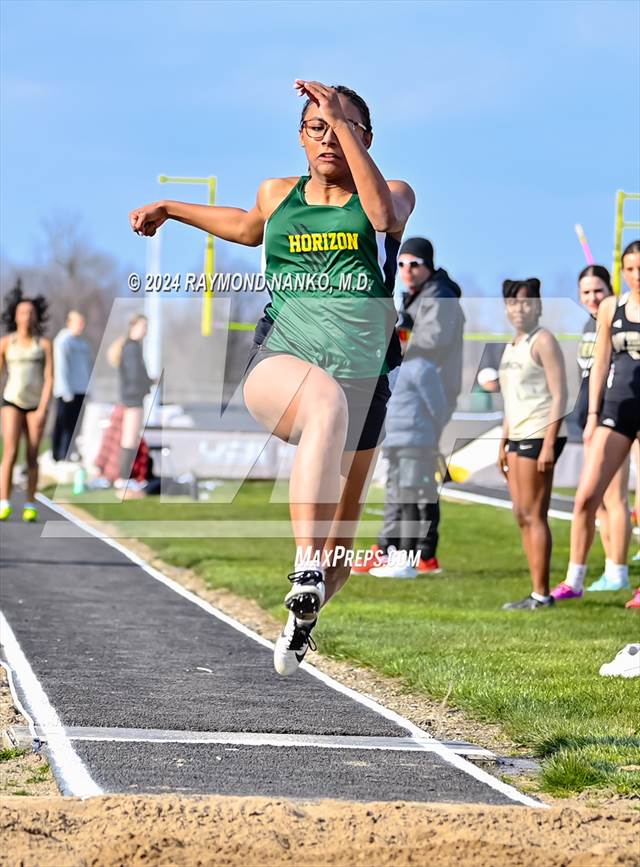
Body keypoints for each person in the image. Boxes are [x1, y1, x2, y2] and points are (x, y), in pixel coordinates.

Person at [129, 81, 415, 675]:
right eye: (317, 127)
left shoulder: (390, 193)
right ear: (300, 137)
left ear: (366, 138)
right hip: (281, 363)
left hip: (367, 377)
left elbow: (384, 218)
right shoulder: (278, 192)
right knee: (323, 402)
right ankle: (304, 562)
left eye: (342, 127)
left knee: (342, 536)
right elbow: (246, 226)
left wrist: (340, 118)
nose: (329, 137)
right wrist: (172, 208)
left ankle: (302, 615)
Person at [355, 238, 465, 575]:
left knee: (415, 484)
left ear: (429, 265)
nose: (406, 271)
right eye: (401, 264)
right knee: (403, 481)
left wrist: (395, 334)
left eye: (414, 263)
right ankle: (397, 548)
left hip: (427, 401)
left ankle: (418, 552)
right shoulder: (420, 297)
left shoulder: (440, 296)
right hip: (412, 401)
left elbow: (430, 345)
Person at [556, 240, 640, 609]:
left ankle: (627, 576)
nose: (637, 276)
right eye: (631, 269)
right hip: (616, 410)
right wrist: (592, 417)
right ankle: (575, 578)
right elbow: (601, 364)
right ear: (623, 271)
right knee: (587, 496)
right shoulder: (611, 307)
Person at [498, 278, 568, 610]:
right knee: (521, 514)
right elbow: (512, 399)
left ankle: (542, 594)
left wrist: (550, 444)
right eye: (512, 303)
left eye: (526, 302)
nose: (519, 308)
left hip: (539, 434)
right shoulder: (513, 345)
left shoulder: (543, 341)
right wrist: (503, 440)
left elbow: (560, 395)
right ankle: (535, 591)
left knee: (534, 514)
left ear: (537, 305)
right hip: (517, 435)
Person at [369, 329, 447, 579]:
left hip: (415, 444)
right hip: (395, 443)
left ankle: (407, 560)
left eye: (406, 334)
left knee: (410, 499)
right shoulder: (395, 368)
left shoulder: (422, 368)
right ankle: (397, 554)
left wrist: (426, 436)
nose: (401, 339)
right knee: (399, 500)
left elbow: (439, 407)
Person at [0, 283, 53, 522]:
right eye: (22, 312)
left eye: (31, 312)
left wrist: (43, 408)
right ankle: (4, 502)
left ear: (36, 316)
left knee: (32, 454)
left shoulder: (43, 345)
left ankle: (30, 503)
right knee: (10, 451)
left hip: (35, 405)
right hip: (11, 400)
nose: (26, 316)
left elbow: (50, 377)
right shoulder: (5, 343)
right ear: (15, 315)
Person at [107, 314, 153, 495]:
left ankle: (125, 479)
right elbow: (134, 376)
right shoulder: (132, 348)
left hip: (132, 398)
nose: (146, 330)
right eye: (143, 326)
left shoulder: (132, 347)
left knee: (131, 439)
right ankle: (124, 480)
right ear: (134, 326)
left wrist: (149, 381)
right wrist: (147, 384)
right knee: (129, 439)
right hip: (133, 399)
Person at [52, 310, 93, 462]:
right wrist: (65, 390)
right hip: (66, 392)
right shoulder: (63, 341)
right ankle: (58, 455)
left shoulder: (83, 344)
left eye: (83, 323)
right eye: (78, 322)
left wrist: (89, 388)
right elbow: (61, 367)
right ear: (69, 323)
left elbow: (87, 367)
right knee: (63, 423)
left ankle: (68, 453)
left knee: (75, 424)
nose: (81, 326)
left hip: (80, 390)